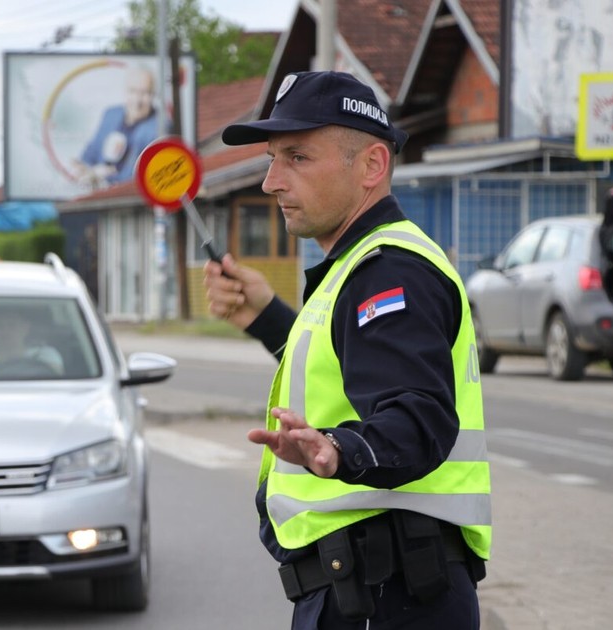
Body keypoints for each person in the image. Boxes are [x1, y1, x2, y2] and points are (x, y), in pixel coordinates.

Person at [203, 71, 491, 629]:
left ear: (372, 166)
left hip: (385, 591)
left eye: (297, 157)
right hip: (380, 585)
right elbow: (356, 366)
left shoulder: (388, 271)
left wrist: (339, 449)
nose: (270, 182)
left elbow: (418, 414)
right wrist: (266, 318)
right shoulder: (363, 266)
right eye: (271, 158)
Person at [70, 64, 161, 189]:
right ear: (125, 92)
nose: (137, 100)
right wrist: (82, 167)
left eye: (144, 93)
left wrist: (99, 175)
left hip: (128, 200)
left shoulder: (160, 127)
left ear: (153, 95)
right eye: (133, 91)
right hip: (95, 194)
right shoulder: (111, 114)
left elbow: (138, 177)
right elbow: (91, 152)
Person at [0, 305, 63, 377]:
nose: (5, 331)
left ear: (25, 328)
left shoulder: (46, 355)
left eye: (12, 325)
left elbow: (58, 387)